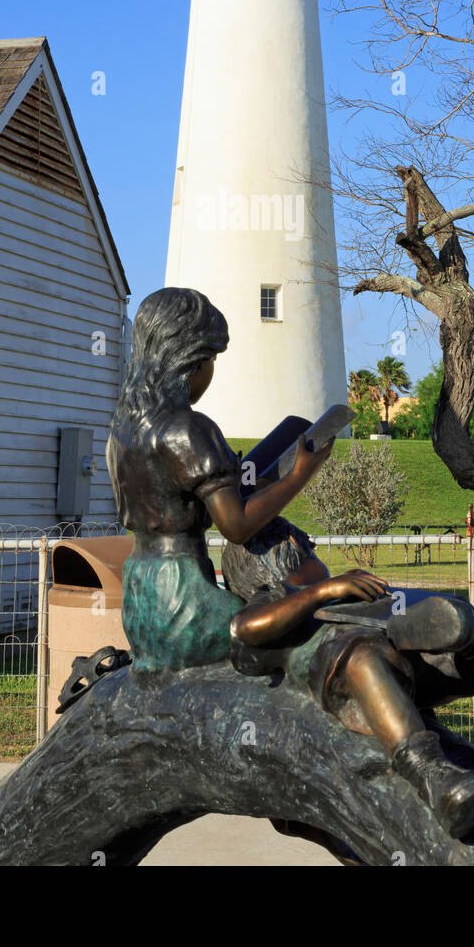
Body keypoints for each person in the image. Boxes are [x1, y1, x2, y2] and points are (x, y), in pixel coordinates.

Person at [221, 517, 474, 840]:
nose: (317, 557)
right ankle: (429, 772)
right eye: (311, 549)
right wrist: (323, 589)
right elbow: (245, 628)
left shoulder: (346, 595)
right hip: (357, 669)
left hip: (408, 652)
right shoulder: (276, 594)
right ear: (293, 549)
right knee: (360, 654)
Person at [105, 286, 334, 673]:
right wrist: (298, 474)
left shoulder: (123, 430)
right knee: (314, 639)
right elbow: (237, 527)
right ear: (190, 359)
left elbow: (176, 504)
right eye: (211, 357)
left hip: (141, 597)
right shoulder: (189, 429)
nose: (211, 369)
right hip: (185, 600)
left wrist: (244, 485)